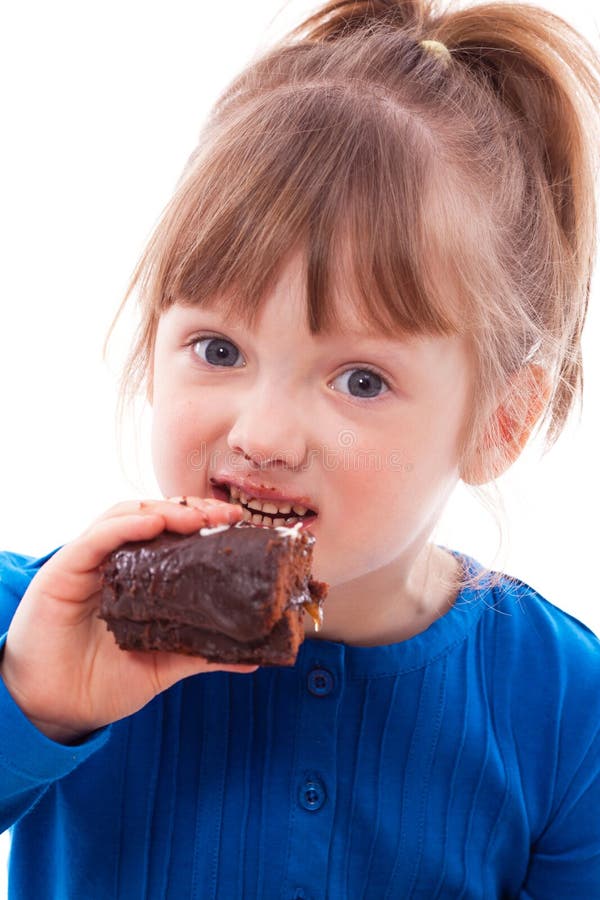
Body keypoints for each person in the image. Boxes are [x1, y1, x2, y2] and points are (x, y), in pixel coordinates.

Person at [1, 0, 599, 896]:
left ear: (499, 423)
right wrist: (36, 703)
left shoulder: (563, 709)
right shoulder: (41, 622)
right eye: (218, 350)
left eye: (360, 379)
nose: (262, 435)